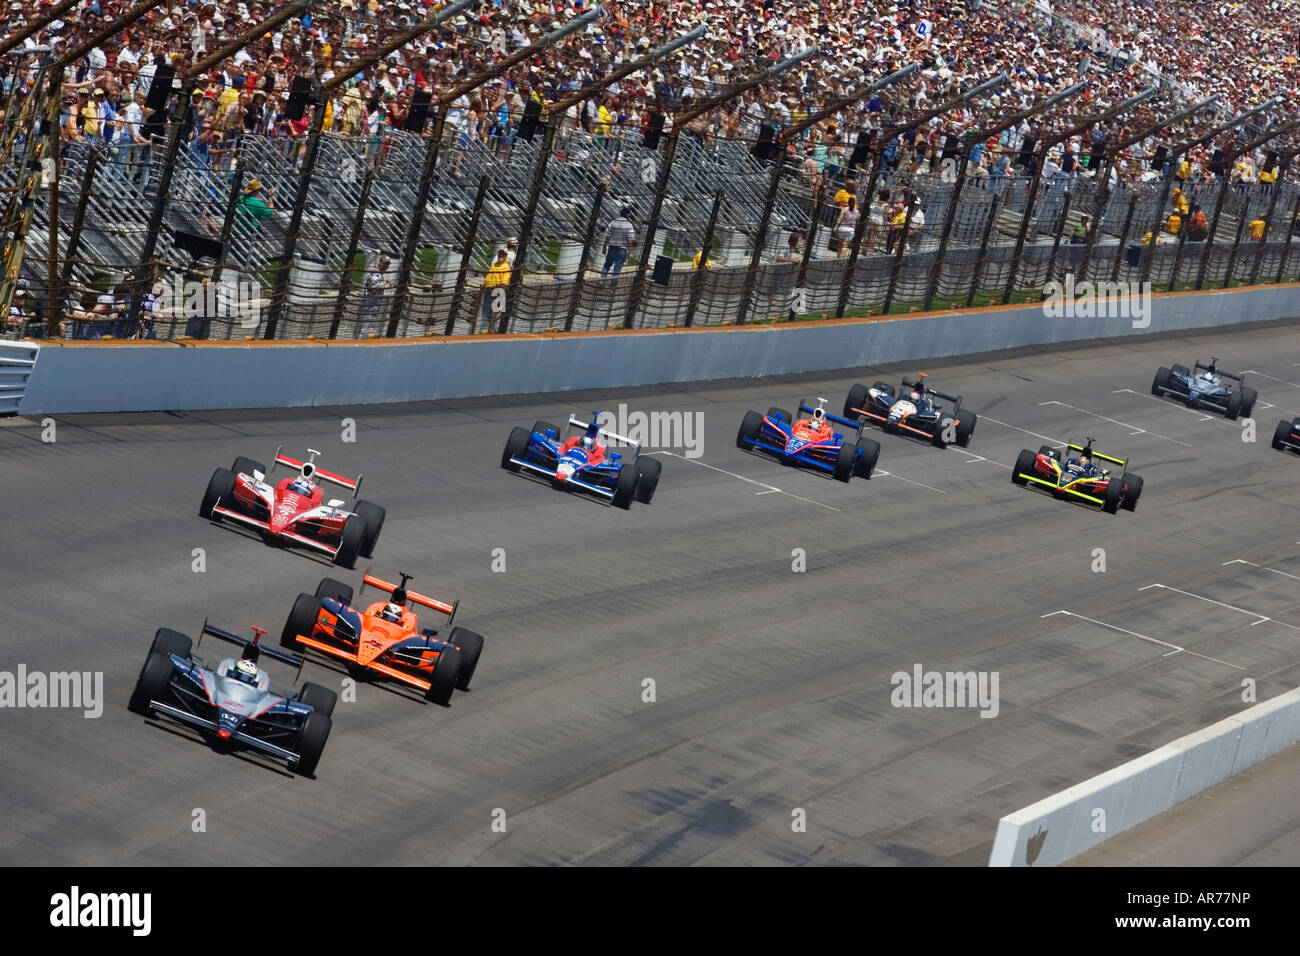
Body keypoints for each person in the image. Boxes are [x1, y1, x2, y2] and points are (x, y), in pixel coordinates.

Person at [476, 247, 511, 334]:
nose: (501, 255)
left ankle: (494, 330)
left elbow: (504, 283)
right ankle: (488, 330)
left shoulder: (506, 267)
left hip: (498, 291)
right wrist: (484, 285)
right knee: (486, 312)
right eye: (500, 253)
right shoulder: (493, 265)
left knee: (496, 313)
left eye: (503, 254)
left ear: (506, 256)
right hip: (488, 291)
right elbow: (488, 277)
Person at [359, 254, 392, 337]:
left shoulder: (380, 274)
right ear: (379, 262)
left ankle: (368, 339)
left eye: (387, 264)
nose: (386, 266)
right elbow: (376, 287)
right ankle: (363, 340)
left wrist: (386, 285)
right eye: (384, 263)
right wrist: (386, 286)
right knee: (366, 324)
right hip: (369, 303)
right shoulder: (374, 272)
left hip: (375, 304)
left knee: (371, 322)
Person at [601, 206, 635, 278]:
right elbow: (629, 241)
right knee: (617, 268)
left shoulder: (612, 223)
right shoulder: (629, 225)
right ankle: (613, 285)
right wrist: (630, 252)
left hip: (611, 247)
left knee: (607, 265)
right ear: (628, 215)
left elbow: (607, 236)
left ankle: (601, 281)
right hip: (622, 249)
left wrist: (604, 247)